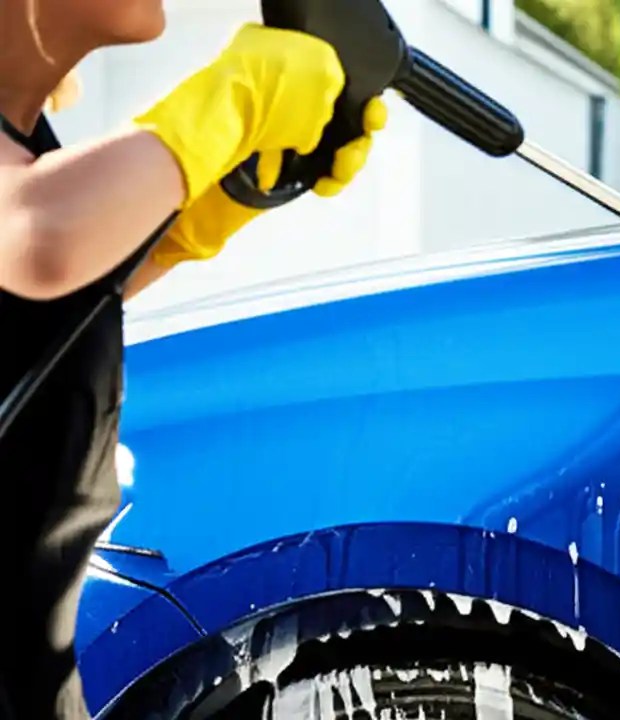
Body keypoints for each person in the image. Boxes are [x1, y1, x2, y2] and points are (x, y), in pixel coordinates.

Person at [0, 0, 388, 717]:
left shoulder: (30, 151)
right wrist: (232, 102)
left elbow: (31, 323)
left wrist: (187, 220)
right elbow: (36, 237)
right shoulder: (29, 200)